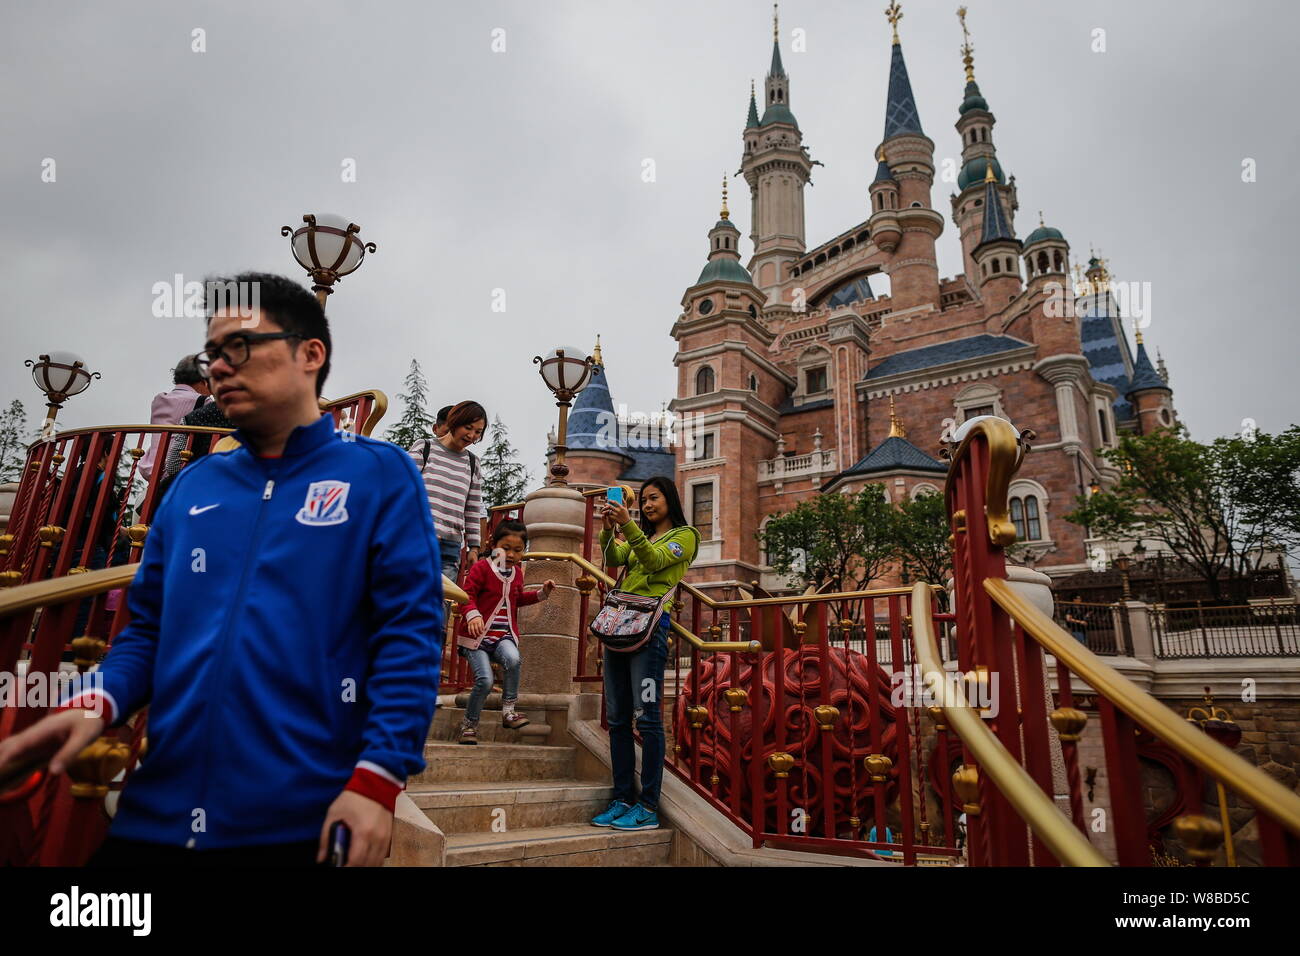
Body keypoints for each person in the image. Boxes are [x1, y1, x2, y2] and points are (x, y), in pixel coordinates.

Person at [0, 272, 444, 867]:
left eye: (239, 347)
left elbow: (409, 639)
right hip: (152, 817)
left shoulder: (381, 476)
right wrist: (95, 700)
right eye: (213, 354)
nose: (219, 367)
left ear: (310, 354)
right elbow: (148, 634)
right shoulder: (191, 488)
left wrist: (377, 777)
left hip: (299, 825)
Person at [590, 477, 699, 832]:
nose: (649, 504)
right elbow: (612, 558)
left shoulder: (685, 537)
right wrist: (609, 530)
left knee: (648, 718)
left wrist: (627, 525)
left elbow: (653, 563)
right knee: (618, 718)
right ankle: (622, 797)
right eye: (645, 499)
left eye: (655, 498)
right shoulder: (643, 535)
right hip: (619, 628)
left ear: (670, 499)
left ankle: (648, 805)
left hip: (650, 634)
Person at [454, 519, 554, 744]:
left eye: (517, 550)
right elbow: (466, 596)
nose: (510, 555)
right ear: (493, 543)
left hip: (503, 636)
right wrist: (473, 615)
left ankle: (509, 711)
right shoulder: (481, 568)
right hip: (476, 639)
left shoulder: (517, 573)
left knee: (513, 659)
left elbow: (516, 599)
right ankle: (469, 725)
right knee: (485, 681)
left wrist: (541, 594)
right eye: (505, 548)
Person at [408, 401, 487, 583]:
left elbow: (473, 508)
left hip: (450, 546)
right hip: (418, 537)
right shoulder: (424, 448)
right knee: (407, 594)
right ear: (454, 422)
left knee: (440, 603)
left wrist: (474, 547)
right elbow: (404, 489)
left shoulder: (473, 463)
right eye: (468, 428)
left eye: (478, 432)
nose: (472, 435)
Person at [141, 355, 211, 480]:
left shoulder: (159, 399)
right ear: (203, 381)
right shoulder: (204, 402)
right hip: (178, 468)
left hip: (152, 468)